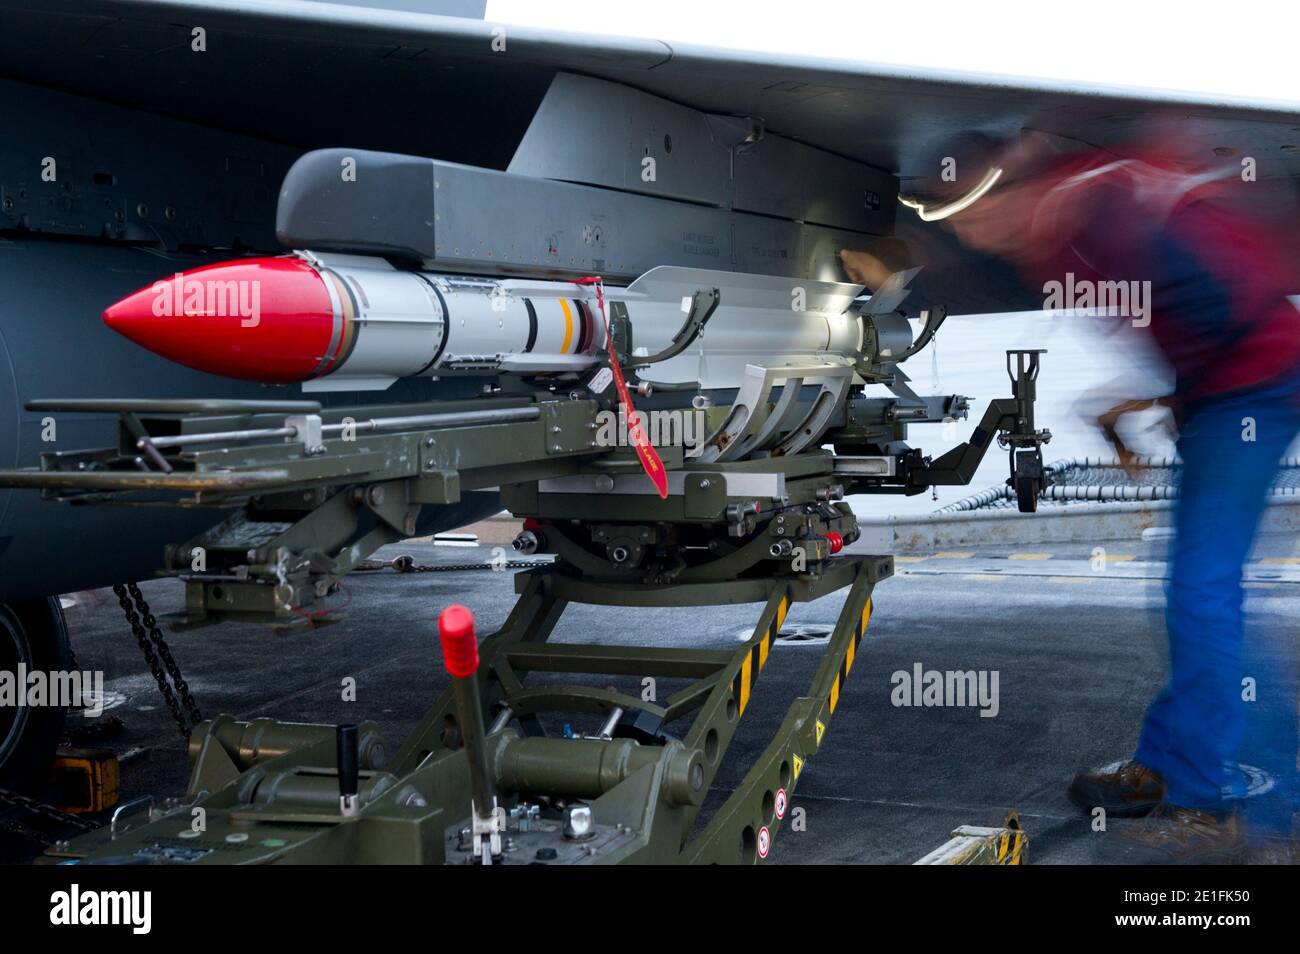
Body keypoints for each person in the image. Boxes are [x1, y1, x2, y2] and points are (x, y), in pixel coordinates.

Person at [878, 132, 1300, 862]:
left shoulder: (1106, 213)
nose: (974, 231)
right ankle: (1167, 765)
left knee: (1204, 597)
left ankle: (1218, 805)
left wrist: (1183, 397)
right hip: (1227, 391)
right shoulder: (1062, 232)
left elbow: (1232, 305)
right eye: (956, 220)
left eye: (977, 211)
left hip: (1258, 388)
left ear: (1015, 190)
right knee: (1188, 595)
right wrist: (1151, 399)